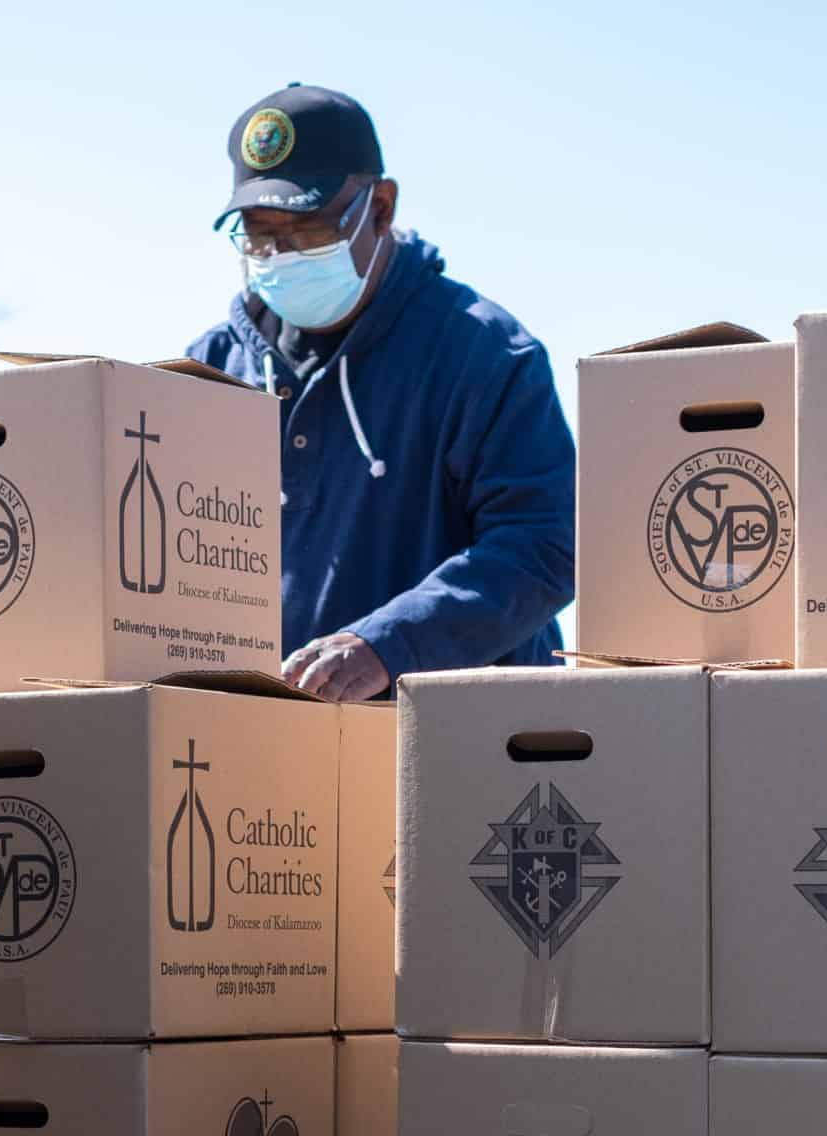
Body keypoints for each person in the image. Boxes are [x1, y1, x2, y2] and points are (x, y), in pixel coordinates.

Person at [188, 84, 575, 701]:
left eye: (309, 229)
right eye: (260, 236)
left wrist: (390, 646)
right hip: (263, 736)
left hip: (456, 737)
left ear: (381, 207)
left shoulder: (483, 353)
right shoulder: (213, 370)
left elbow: (546, 545)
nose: (281, 256)